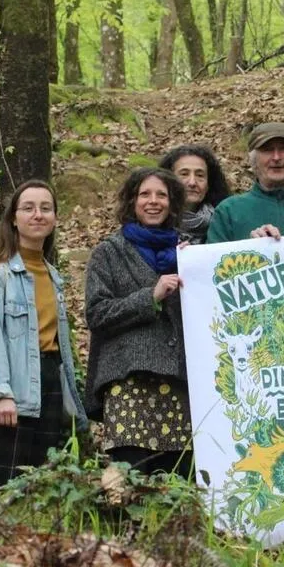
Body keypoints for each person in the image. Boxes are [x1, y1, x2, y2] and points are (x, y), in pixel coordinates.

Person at [0, 180, 88, 493]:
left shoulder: (52, 275)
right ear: (13, 218)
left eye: (46, 208)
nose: (38, 215)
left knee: (38, 491)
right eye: (29, 208)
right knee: (1, 493)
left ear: (55, 219)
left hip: (46, 389)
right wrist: (0, 392)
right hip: (7, 394)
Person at [84, 167, 192, 478]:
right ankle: (127, 530)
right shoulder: (108, 253)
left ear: (172, 204)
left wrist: (194, 265)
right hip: (128, 387)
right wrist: (151, 296)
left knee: (178, 482)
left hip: (180, 385)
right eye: (145, 194)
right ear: (132, 201)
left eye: (162, 195)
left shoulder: (187, 253)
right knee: (129, 480)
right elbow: (97, 314)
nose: (153, 201)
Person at [159, 144, 232, 244]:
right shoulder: (153, 220)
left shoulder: (224, 223)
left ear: (209, 184)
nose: (192, 182)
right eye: (184, 174)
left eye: (200, 175)